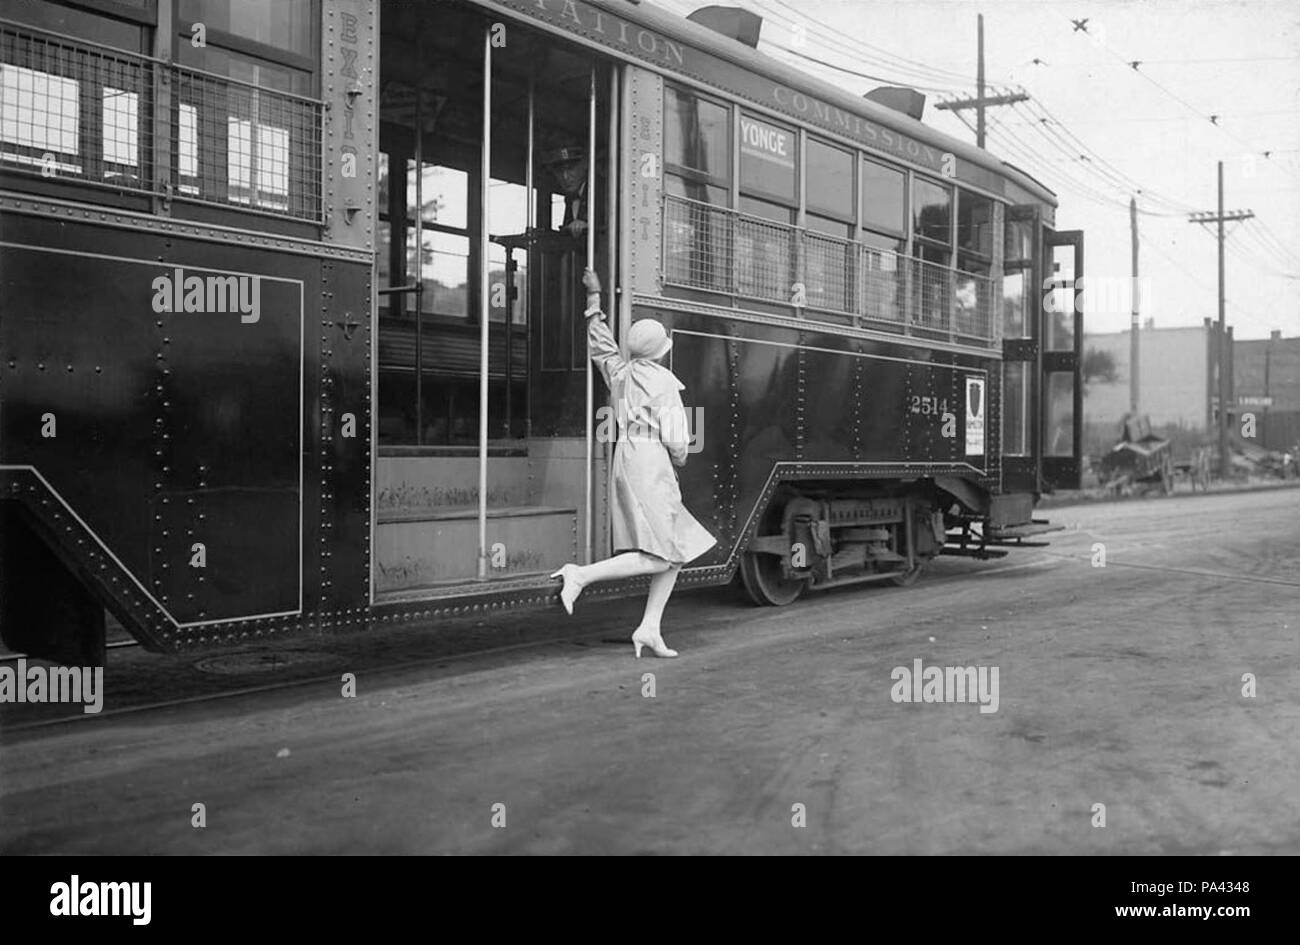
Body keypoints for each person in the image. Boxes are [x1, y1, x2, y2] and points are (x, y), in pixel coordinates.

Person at [550, 269, 716, 658]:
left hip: (626, 454)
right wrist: (679, 460)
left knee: (678, 548)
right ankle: (581, 575)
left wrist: (595, 303)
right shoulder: (665, 384)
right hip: (651, 460)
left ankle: (649, 628)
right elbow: (678, 441)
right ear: (662, 350)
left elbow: (601, 347)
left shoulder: (621, 373)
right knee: (661, 554)